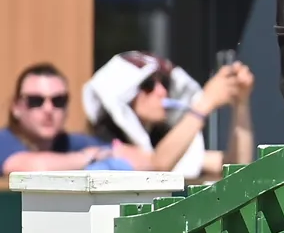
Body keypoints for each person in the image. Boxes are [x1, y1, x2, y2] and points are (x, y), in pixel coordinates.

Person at [82, 51, 257, 180]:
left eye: (164, 82)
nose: (162, 91)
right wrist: (205, 103)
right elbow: (157, 169)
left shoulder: (158, 146)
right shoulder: (105, 149)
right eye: (148, 85)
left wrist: (241, 103)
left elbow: (235, 166)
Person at [1, 63, 128, 176]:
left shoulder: (71, 142)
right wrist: (89, 157)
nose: (48, 109)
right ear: (16, 107)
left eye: (58, 101)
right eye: (36, 101)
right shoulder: (4, 141)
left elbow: (130, 156)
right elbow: (31, 168)